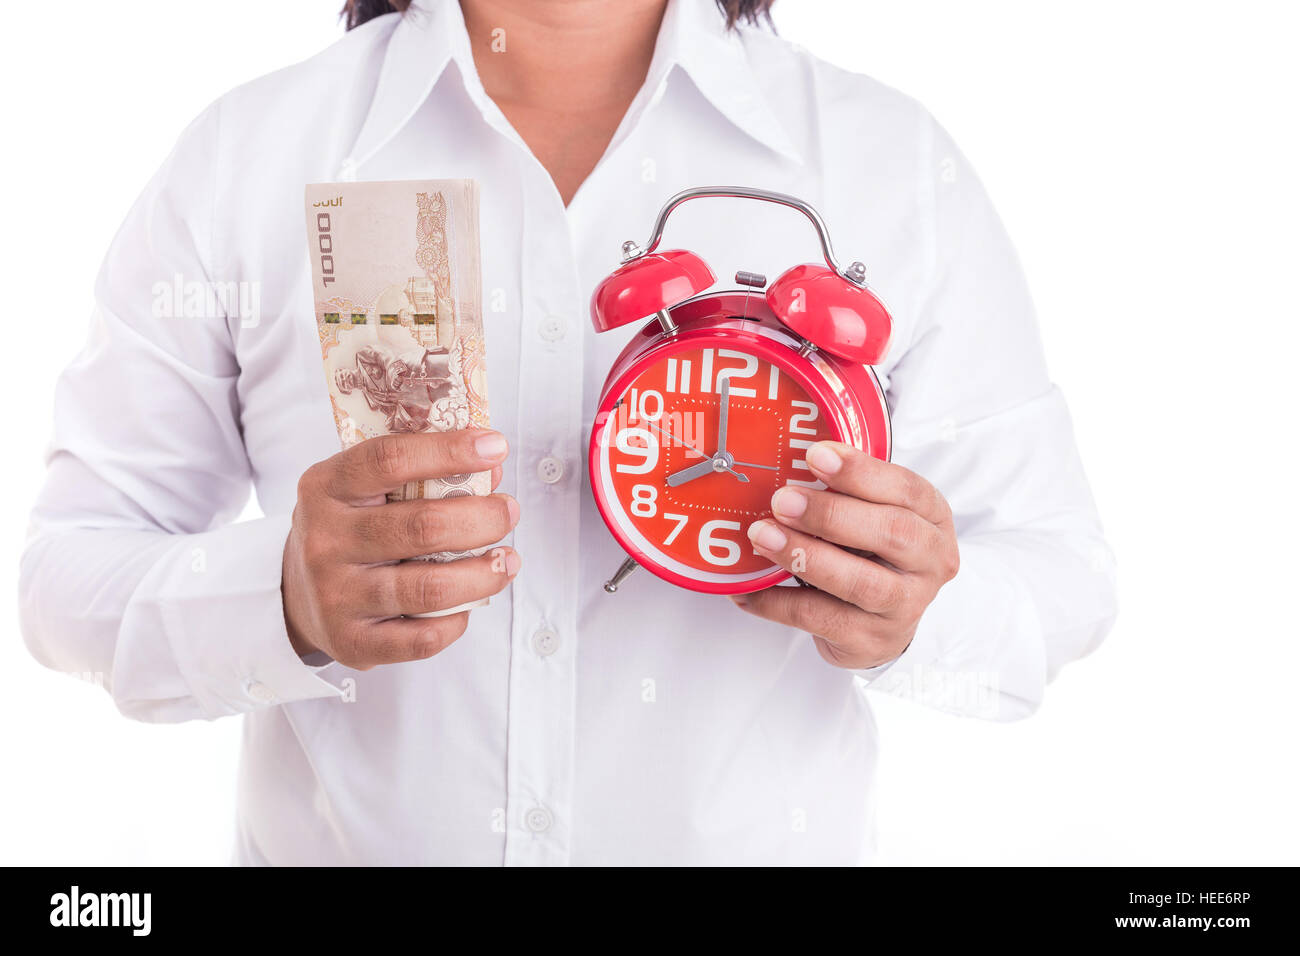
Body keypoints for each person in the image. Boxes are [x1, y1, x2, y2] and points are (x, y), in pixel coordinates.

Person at [19, 0, 1116, 865]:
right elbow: (66, 573)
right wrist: (283, 598)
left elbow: (1061, 575)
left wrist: (918, 604)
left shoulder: (887, 163)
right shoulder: (249, 155)